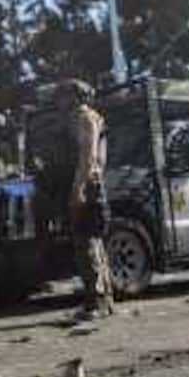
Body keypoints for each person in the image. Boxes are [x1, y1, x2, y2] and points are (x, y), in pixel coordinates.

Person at [54, 79, 115, 322]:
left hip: (87, 185)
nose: (60, 101)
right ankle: (104, 301)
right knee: (93, 243)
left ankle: (96, 302)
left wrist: (78, 189)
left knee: (86, 244)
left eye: (64, 96)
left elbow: (88, 156)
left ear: (75, 97)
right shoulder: (82, 117)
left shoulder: (85, 118)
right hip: (88, 184)